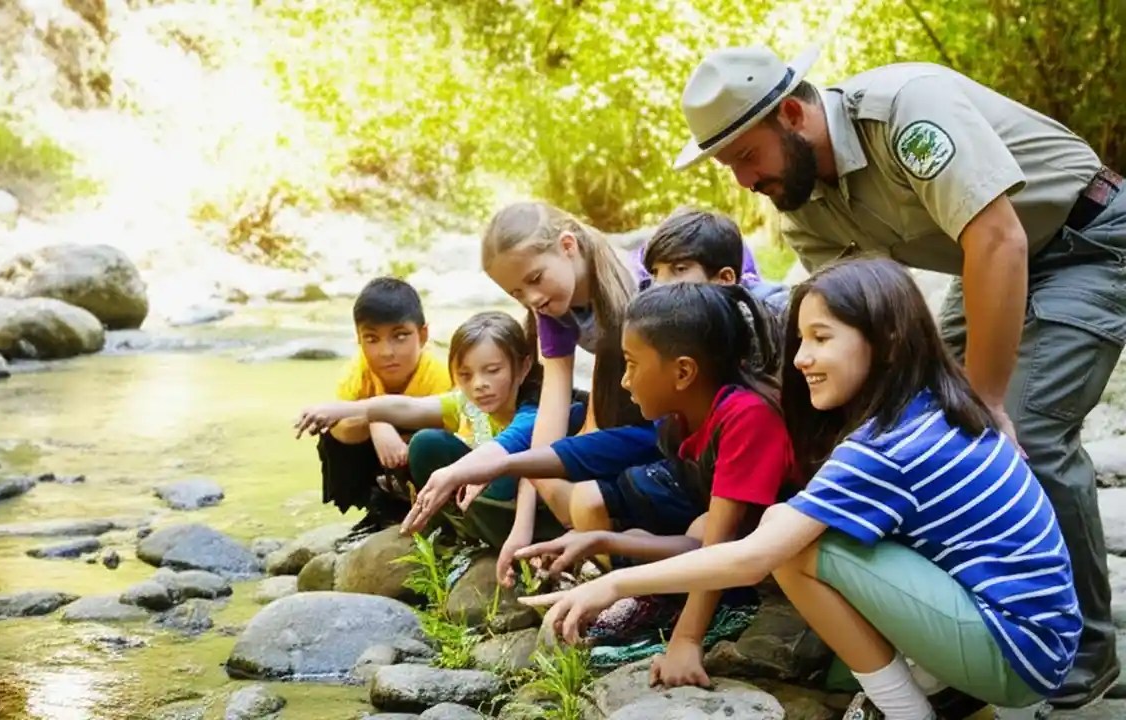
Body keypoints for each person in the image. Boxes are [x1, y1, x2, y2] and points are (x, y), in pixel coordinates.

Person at [670, 44, 1123, 707]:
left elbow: (1000, 239)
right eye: (727, 165)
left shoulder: (907, 112)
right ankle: (963, 630)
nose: (742, 181)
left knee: (1019, 432)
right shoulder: (801, 205)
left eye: (746, 156)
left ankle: (1082, 651)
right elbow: (859, 325)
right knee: (924, 431)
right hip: (986, 261)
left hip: (1085, 237)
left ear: (793, 114)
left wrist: (987, 403)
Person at [521, 258, 1081, 720]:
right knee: (818, 570)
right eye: (799, 339)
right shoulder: (927, 406)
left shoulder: (886, 443)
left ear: (886, 340)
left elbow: (755, 557)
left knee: (795, 542)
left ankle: (905, 712)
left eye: (821, 338)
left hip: (1017, 653)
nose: (801, 358)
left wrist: (611, 584)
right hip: (1035, 638)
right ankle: (936, 687)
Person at [405, 282, 796, 687]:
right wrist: (496, 468)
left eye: (631, 364)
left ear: (683, 371)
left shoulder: (747, 418)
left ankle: (687, 614)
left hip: (760, 574)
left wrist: (686, 641)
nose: (624, 381)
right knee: (645, 518)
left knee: (658, 507)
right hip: (723, 553)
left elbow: (718, 547)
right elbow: (593, 452)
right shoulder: (684, 414)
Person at [295, 311, 584, 546]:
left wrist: (459, 474)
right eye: (465, 375)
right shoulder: (466, 402)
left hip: (534, 513)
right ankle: (458, 531)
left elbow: (512, 452)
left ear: (523, 368)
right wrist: (344, 409)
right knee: (426, 444)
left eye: (492, 371)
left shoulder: (538, 409)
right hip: (483, 503)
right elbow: (409, 408)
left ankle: (491, 536)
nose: (478, 384)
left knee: (511, 474)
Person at [478, 201, 649, 585]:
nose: (532, 299)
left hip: (668, 421)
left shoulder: (638, 286)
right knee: (550, 477)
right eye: (517, 293)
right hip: (623, 411)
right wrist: (522, 526)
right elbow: (549, 412)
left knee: (582, 489)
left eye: (536, 279)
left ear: (568, 246)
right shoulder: (551, 312)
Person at [315, 276, 451, 533]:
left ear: (423, 335)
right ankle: (376, 507)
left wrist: (397, 432)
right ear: (358, 338)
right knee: (330, 435)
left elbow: (455, 430)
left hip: (423, 459)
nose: (386, 352)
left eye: (400, 336)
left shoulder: (440, 374)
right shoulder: (357, 373)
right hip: (379, 459)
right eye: (372, 339)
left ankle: (424, 509)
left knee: (431, 442)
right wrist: (376, 420)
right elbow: (339, 430)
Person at [643, 206, 790, 316]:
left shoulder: (776, 319)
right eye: (655, 273)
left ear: (725, 279)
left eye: (680, 269)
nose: (658, 285)